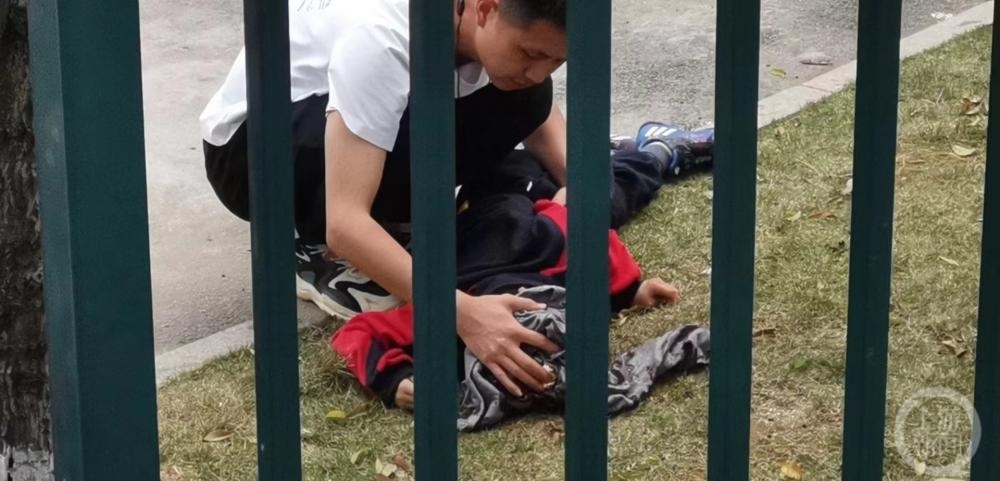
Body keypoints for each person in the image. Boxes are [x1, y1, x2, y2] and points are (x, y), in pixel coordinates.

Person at [200, 0, 571, 396]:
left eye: (556, 60)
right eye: (531, 53)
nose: (539, 71)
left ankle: (388, 226)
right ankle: (316, 253)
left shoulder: (486, 28)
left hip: (346, 112)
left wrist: (581, 185)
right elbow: (345, 222)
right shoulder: (383, 37)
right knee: (409, 134)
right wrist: (465, 315)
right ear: (485, 9)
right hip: (252, 153)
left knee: (524, 95)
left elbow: (538, 111)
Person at [330, 123, 715, 412]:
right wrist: (629, 290)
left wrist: (390, 378)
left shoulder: (449, 309)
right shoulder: (558, 271)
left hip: (503, 190)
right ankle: (652, 151)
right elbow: (596, 244)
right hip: (518, 201)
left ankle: (643, 151)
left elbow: (357, 333)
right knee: (607, 199)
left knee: (600, 193)